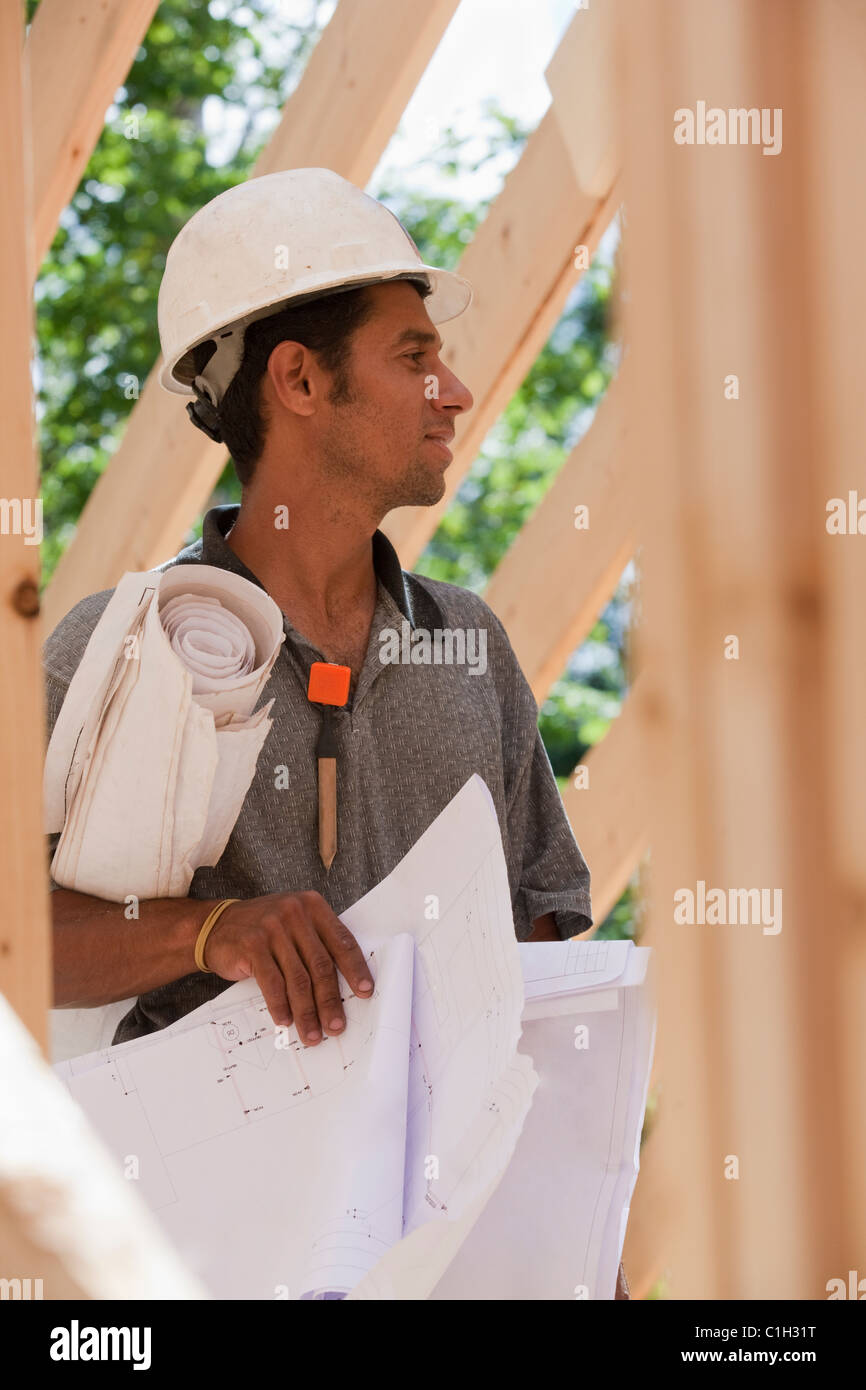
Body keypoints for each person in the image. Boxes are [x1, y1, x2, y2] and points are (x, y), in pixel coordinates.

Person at [44, 167, 619, 1292]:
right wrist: (211, 933)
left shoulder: (471, 648)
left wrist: (583, 1256)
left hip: (451, 1262)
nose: (452, 389)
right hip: (204, 1259)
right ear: (299, 380)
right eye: (412, 356)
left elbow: (540, 975)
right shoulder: (124, 653)